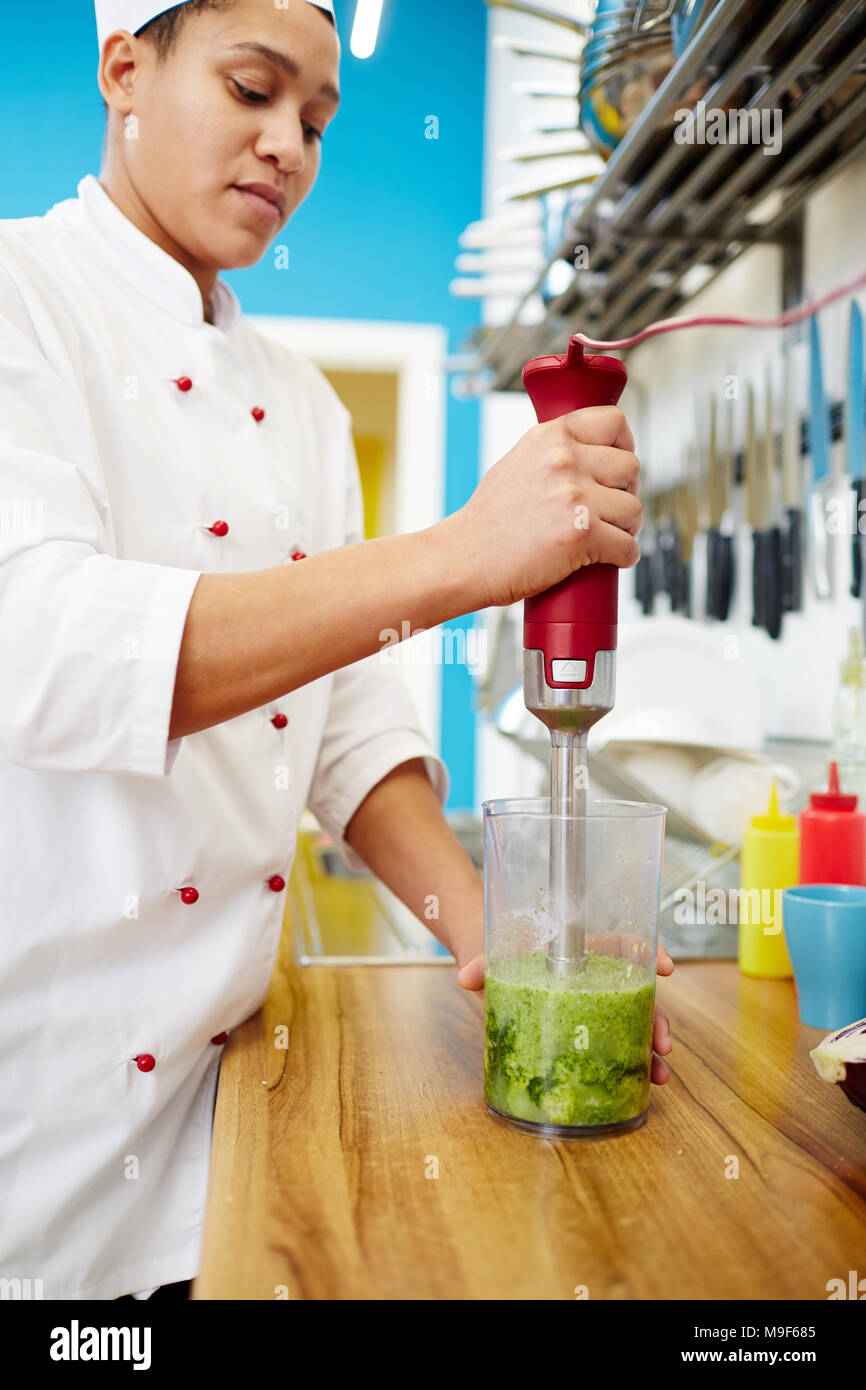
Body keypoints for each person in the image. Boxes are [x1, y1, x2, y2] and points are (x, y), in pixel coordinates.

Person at [0, 0, 672, 1301]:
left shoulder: (298, 404)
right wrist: (467, 553)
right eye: (251, 90)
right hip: (36, 1127)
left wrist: (490, 927)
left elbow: (347, 717)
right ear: (124, 69)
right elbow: (47, 652)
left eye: (313, 119)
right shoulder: (16, 298)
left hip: (233, 1109)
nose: (286, 148)